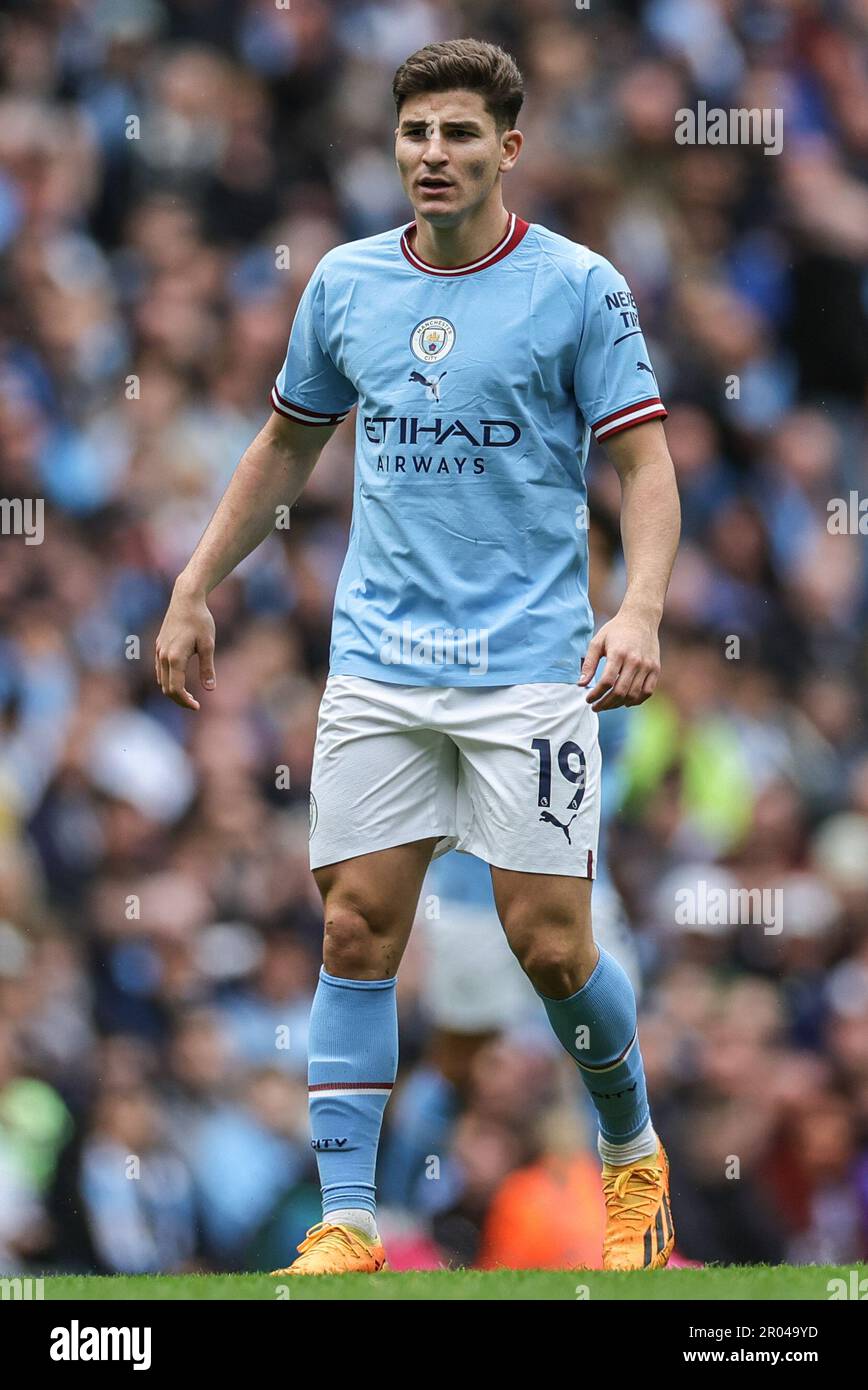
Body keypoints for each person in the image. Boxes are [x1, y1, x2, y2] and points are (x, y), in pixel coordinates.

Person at [154, 37, 681, 1275]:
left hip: (530, 667)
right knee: (353, 933)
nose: (431, 156)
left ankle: (635, 1160)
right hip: (383, 661)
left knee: (548, 943)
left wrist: (644, 607)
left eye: (456, 134)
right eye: (414, 135)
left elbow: (645, 467)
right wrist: (191, 583)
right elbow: (283, 449)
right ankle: (347, 1217)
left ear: (509, 146)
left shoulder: (579, 286)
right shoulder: (342, 285)